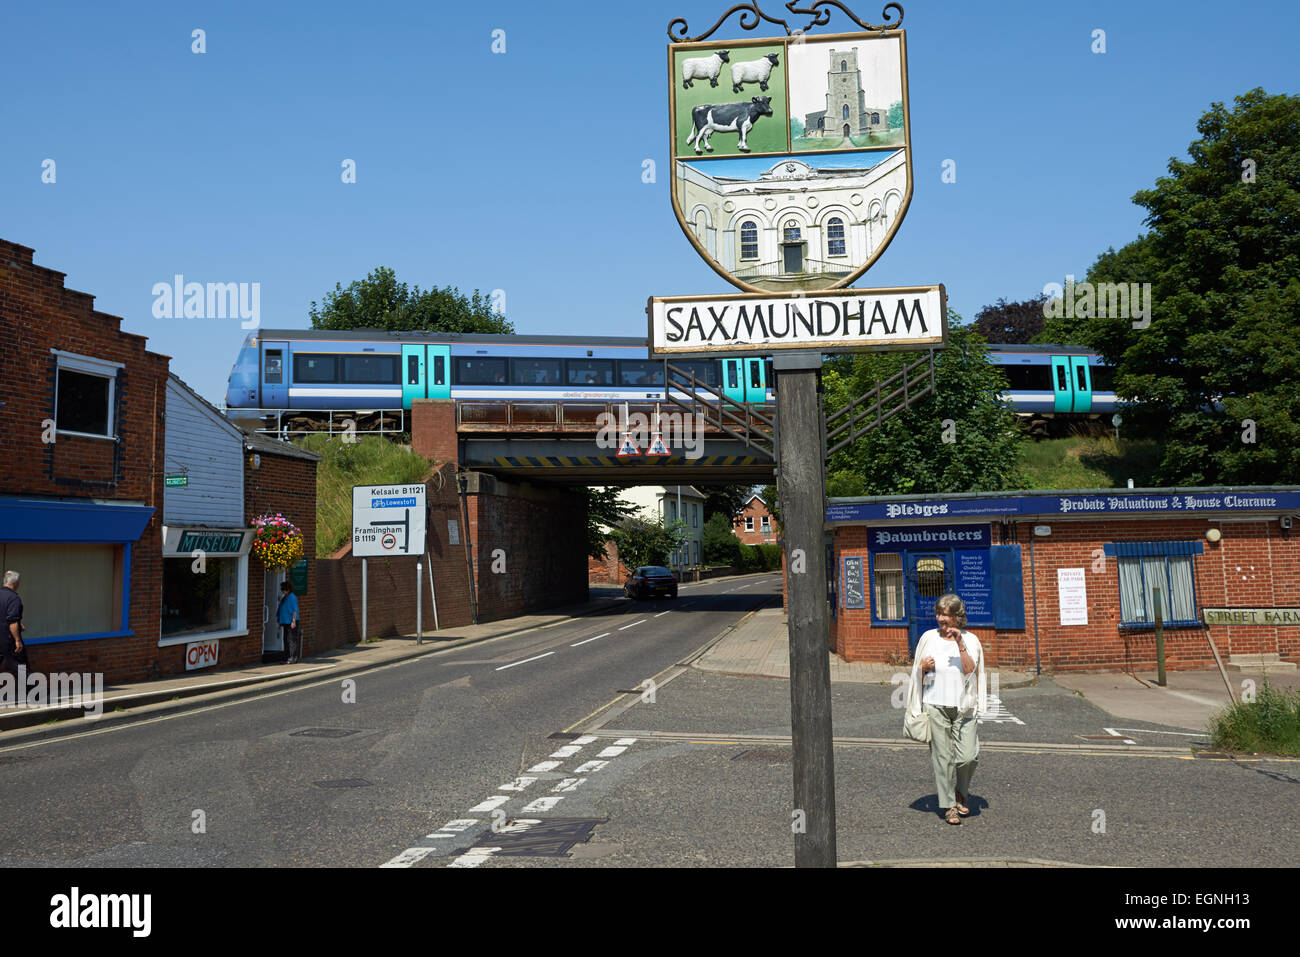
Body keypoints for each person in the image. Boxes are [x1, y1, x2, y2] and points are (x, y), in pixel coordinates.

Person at [904, 593, 986, 825]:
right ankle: (949, 804)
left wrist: (960, 644)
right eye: (939, 613)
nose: (941, 619)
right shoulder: (928, 638)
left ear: (958, 617)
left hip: (964, 707)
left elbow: (972, 671)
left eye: (946, 615)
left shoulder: (971, 640)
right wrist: (922, 667)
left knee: (968, 757)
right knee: (943, 759)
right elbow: (916, 671)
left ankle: (961, 791)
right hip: (935, 704)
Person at [1, 570, 27, 678]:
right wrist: (17, 640)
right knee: (19, 664)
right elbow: (12, 621)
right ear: (15, 582)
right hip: (8, 639)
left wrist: (18, 624)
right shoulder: (13, 598)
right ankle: (33, 690)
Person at [277, 580, 300, 664]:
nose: (282, 591)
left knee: (291, 640)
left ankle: (293, 657)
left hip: (291, 622)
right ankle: (286, 657)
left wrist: (293, 621)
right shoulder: (286, 597)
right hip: (286, 622)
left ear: (287, 589)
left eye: (283, 589)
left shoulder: (292, 597)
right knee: (286, 639)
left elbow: (295, 610)